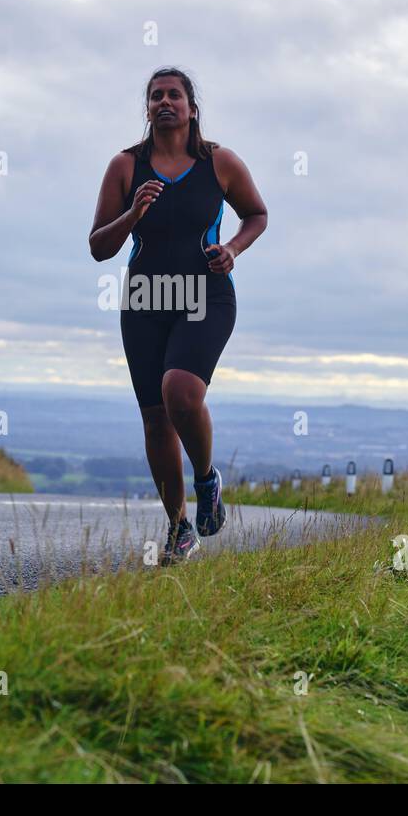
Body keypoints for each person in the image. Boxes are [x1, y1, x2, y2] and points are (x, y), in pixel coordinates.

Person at [88, 67, 268, 564]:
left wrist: (233, 247)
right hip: (146, 299)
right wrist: (132, 215)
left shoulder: (220, 162)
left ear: (192, 107)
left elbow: (257, 214)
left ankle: (207, 477)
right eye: (155, 96)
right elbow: (98, 247)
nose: (164, 102)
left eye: (174, 95)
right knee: (154, 422)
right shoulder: (126, 166)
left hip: (207, 294)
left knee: (181, 394)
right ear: (147, 108)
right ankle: (179, 526)